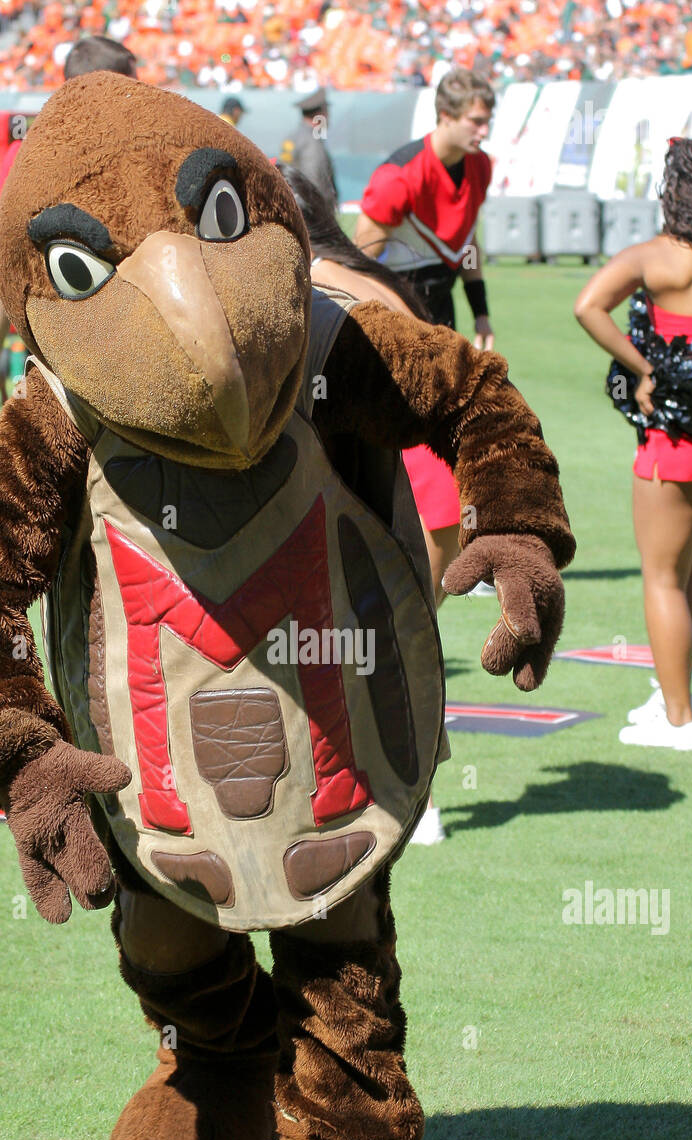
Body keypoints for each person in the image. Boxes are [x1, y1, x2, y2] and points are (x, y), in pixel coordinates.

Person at [279, 161, 456, 845]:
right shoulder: (371, 275)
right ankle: (408, 799)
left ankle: (400, 800)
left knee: (373, 649)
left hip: (391, 480)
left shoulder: (316, 285)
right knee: (399, 645)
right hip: (430, 477)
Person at [575, 135, 692, 750]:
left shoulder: (662, 257)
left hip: (681, 433)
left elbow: (589, 305)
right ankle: (673, 695)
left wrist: (643, 369)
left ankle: (679, 719)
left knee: (661, 574)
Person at [0, 34, 137, 416]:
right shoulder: (78, 151)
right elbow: (4, 260)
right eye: (133, 84)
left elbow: (1, 263)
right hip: (79, 347)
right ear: (105, 85)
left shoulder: (34, 144)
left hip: (90, 346)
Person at [354, 66, 494, 346]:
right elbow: (359, 261)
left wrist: (481, 313)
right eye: (476, 122)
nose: (485, 131)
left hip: (443, 310)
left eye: (488, 121)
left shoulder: (480, 165)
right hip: (395, 314)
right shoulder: (397, 177)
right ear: (446, 116)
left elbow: (468, 240)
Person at [278, 89, 338, 215]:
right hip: (310, 214)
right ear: (320, 115)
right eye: (327, 113)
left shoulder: (292, 137)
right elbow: (316, 179)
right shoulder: (312, 142)